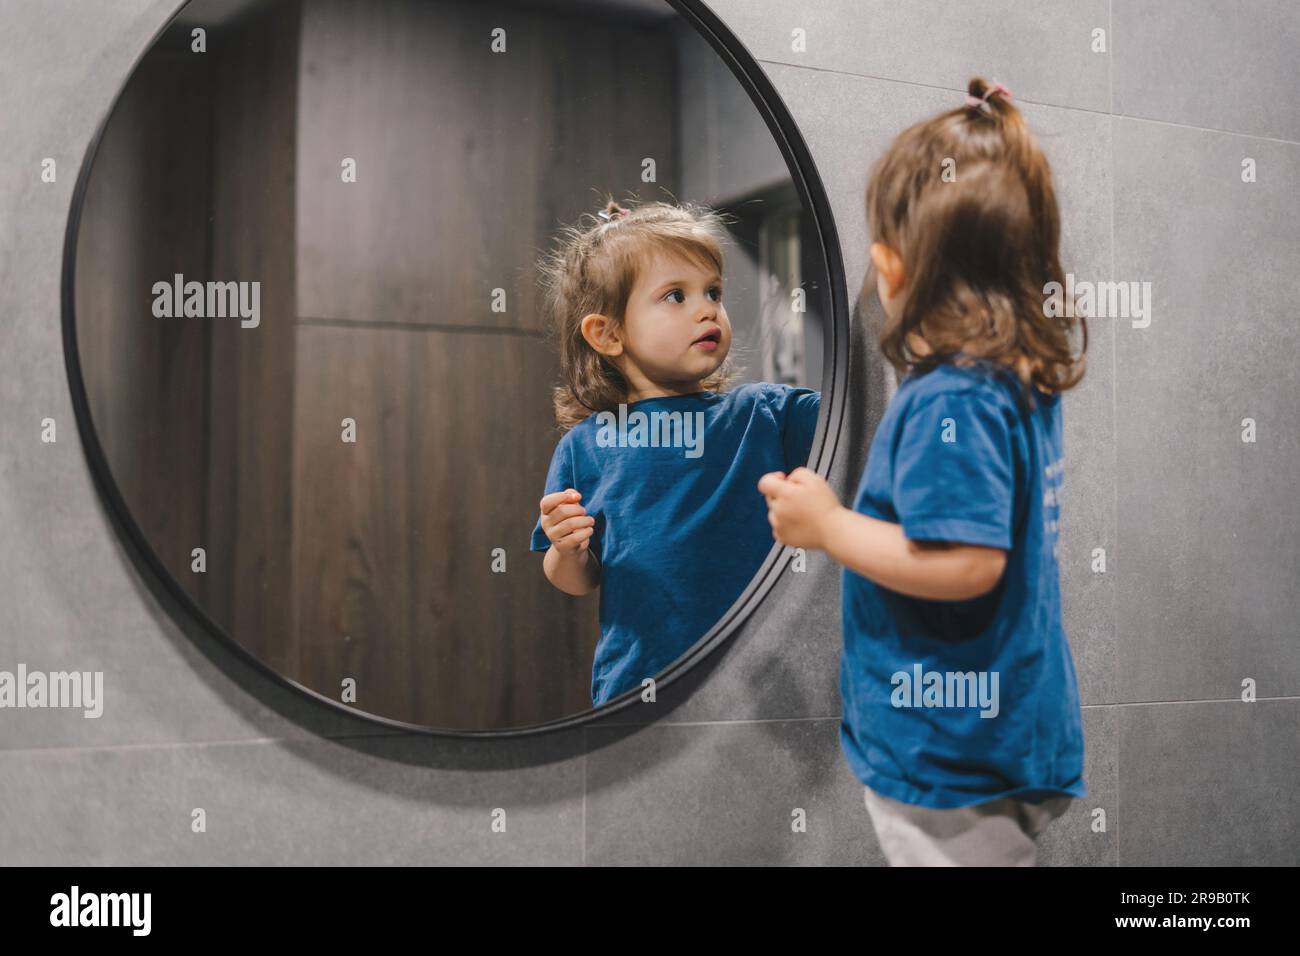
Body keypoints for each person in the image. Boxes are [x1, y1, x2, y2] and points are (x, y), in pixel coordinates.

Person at [759, 78, 1088, 865]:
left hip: (952, 754)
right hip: (1003, 724)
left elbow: (970, 563)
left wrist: (831, 528)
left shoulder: (956, 399)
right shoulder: (1017, 379)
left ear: (894, 266)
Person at [532, 198, 820, 706]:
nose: (707, 308)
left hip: (767, 688)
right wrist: (566, 549)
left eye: (713, 291)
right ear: (609, 334)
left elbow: (865, 410)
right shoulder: (585, 446)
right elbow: (578, 582)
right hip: (638, 689)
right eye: (675, 296)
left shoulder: (763, 415)